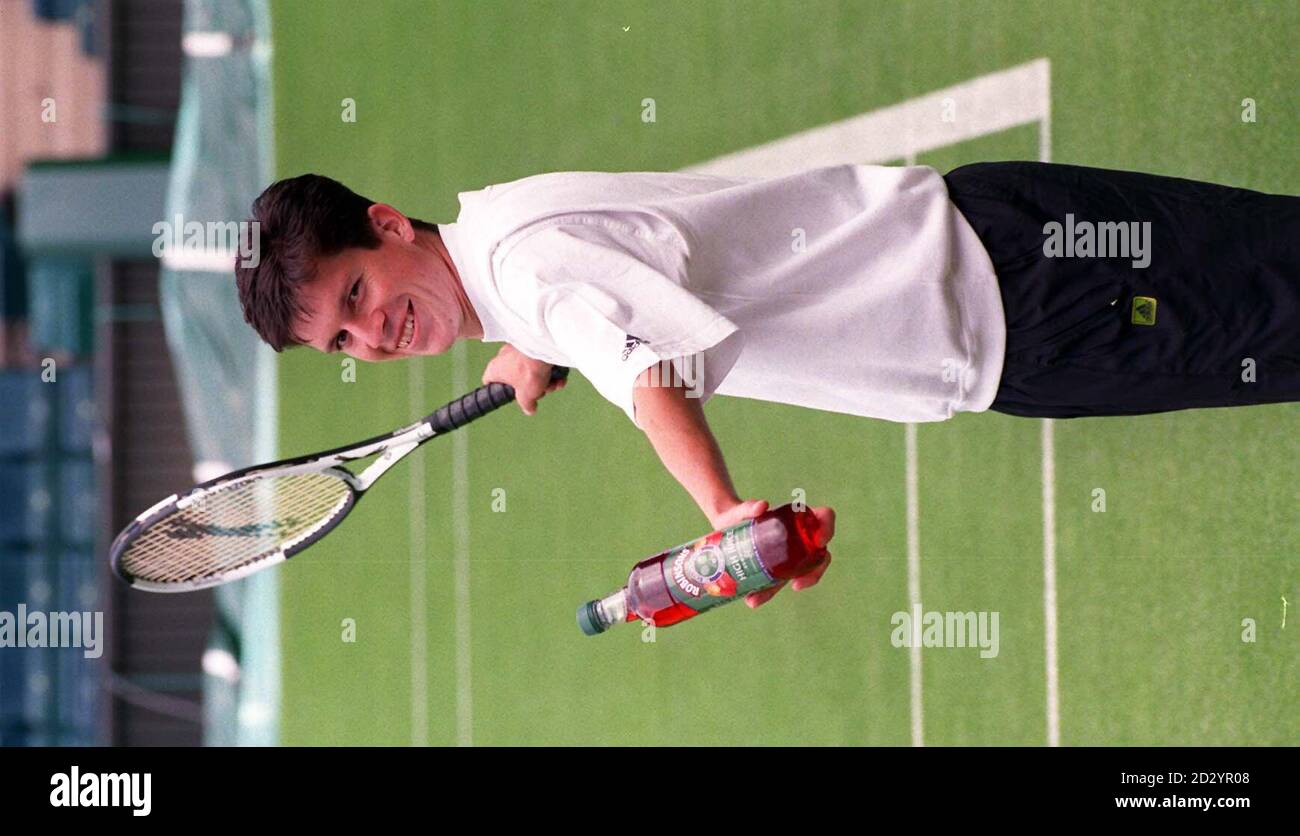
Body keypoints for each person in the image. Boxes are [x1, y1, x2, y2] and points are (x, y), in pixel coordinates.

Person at [234, 164, 1300, 606]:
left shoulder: (528, 280)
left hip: (1013, 312)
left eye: (360, 294)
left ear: (383, 224)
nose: (372, 336)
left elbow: (647, 372)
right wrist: (519, 342)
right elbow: (592, 295)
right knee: (1272, 247)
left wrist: (718, 513)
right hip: (991, 234)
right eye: (343, 341)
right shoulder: (501, 246)